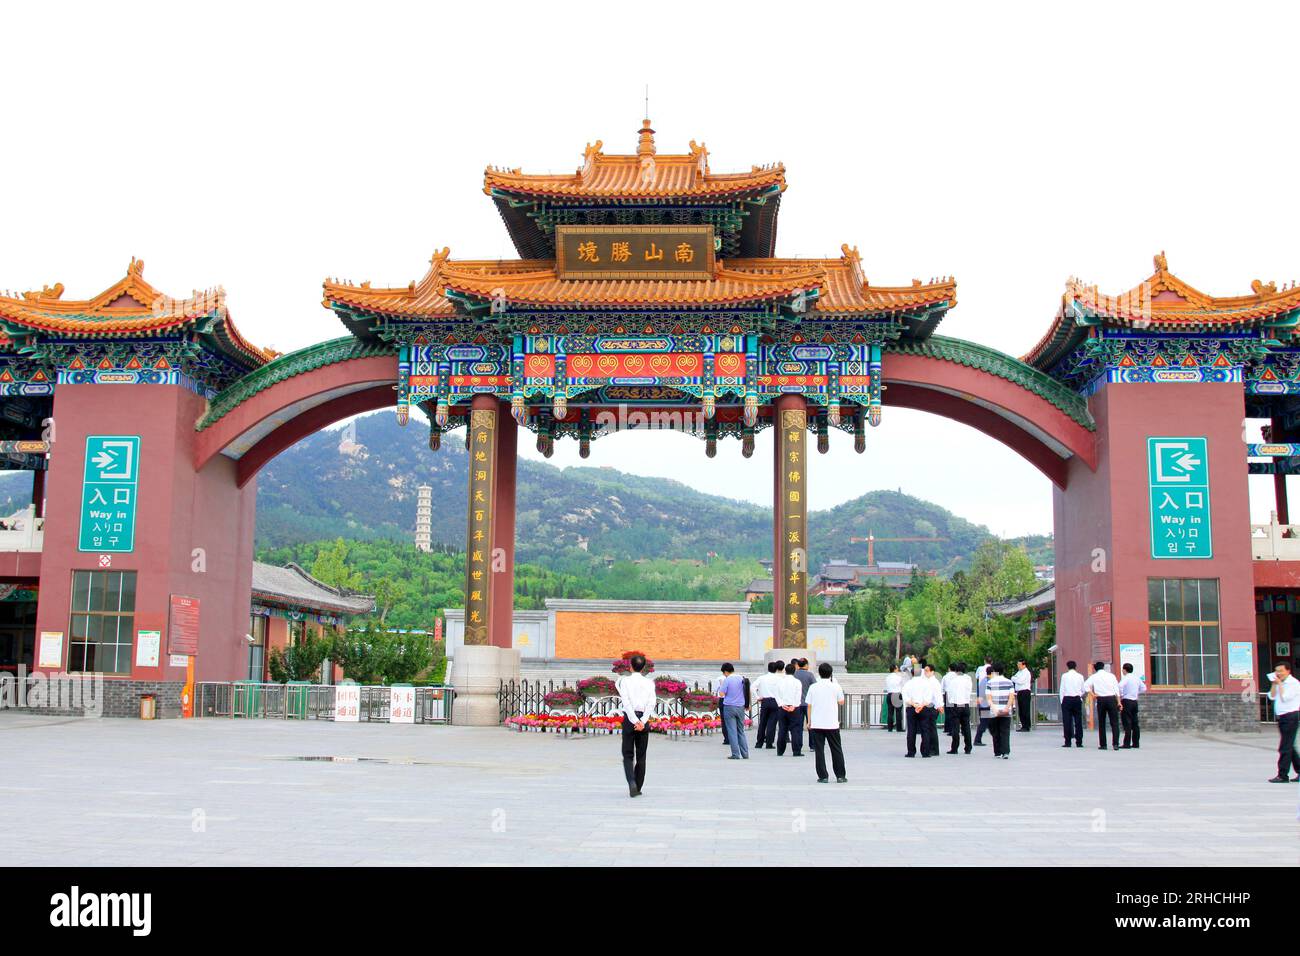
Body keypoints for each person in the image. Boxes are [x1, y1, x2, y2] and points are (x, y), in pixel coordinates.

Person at [617, 653, 655, 797]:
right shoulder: (649, 683)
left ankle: (631, 782)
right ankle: (638, 786)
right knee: (641, 755)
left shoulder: (625, 681)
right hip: (643, 720)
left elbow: (626, 702)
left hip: (629, 719)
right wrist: (642, 721)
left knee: (627, 754)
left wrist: (633, 720)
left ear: (630, 666)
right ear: (644, 667)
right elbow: (652, 703)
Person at [805, 662, 847, 783]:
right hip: (832, 723)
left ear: (819, 673)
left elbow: (809, 705)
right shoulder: (836, 686)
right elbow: (841, 702)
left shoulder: (814, 687)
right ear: (831, 673)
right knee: (836, 749)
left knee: (819, 750)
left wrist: (809, 721)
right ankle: (840, 775)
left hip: (817, 723)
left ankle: (823, 776)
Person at [1267, 662, 1300, 783]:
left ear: (1288, 671)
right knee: (1289, 745)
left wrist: (1280, 684)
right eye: (1277, 671)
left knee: (1285, 747)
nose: (1278, 673)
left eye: (1281, 671)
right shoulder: (1279, 682)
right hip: (1282, 717)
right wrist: (1274, 685)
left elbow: (1285, 697)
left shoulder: (1294, 683)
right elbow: (1271, 696)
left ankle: (1282, 775)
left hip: (1290, 716)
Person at [1083, 661, 1121, 751]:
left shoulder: (1094, 676)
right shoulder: (1111, 676)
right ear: (1103, 667)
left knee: (1102, 723)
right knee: (1114, 723)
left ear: (1095, 668)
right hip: (1112, 699)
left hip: (1101, 700)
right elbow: (1116, 689)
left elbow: (1085, 686)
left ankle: (1103, 744)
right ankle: (1116, 744)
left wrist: (1093, 694)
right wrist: (1119, 702)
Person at [718, 663, 749, 760]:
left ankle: (735, 754)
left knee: (732, 731)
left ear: (726, 671)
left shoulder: (727, 680)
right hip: (740, 707)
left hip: (729, 707)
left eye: (724, 673)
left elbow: (721, 693)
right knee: (741, 731)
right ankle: (745, 753)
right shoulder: (741, 679)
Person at [774, 662, 805, 757]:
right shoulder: (797, 682)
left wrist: (781, 704)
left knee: (782, 729)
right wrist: (794, 706)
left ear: (785, 671)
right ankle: (796, 751)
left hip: (782, 708)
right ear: (794, 671)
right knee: (795, 729)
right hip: (794, 708)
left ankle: (780, 750)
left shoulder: (780, 681)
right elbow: (798, 695)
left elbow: (776, 694)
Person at [984, 663, 1015, 759]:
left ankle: (997, 752)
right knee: (1005, 731)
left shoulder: (990, 683)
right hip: (1006, 711)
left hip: (994, 711)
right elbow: (1011, 697)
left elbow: (989, 698)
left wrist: (994, 709)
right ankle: (1006, 752)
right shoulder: (1009, 682)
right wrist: (1007, 708)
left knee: (995, 732)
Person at [902, 665, 931, 758]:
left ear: (912, 673)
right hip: (924, 708)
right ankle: (925, 752)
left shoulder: (908, 684)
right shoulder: (926, 683)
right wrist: (921, 705)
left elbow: (905, 697)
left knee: (911, 730)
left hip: (911, 708)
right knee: (925, 730)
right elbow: (928, 698)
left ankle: (911, 752)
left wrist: (915, 705)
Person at [945, 661, 973, 754]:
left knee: (955, 728)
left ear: (956, 671)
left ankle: (954, 748)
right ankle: (968, 747)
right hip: (965, 704)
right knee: (966, 727)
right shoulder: (968, 679)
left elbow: (949, 693)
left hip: (955, 705)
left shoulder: (953, 681)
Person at [752, 661, 781, 749]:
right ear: (776, 669)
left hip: (764, 701)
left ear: (768, 668)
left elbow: (752, 687)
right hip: (775, 702)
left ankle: (759, 743)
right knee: (772, 723)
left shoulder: (762, 678)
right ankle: (769, 743)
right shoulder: (779, 679)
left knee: (763, 722)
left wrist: (757, 697)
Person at [1118, 663, 1146, 750]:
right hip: (1134, 701)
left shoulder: (1126, 678)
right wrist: (1136, 693)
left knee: (1127, 723)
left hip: (1127, 701)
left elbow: (1119, 686)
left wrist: (1122, 694)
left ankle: (1126, 743)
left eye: (1123, 669)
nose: (1122, 671)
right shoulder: (1136, 678)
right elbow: (1144, 688)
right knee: (1135, 723)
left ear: (1125, 670)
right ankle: (1136, 743)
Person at [1059, 660, 1085, 749]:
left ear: (1068, 667)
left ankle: (1068, 742)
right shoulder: (1080, 676)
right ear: (1075, 666)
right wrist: (1080, 696)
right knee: (1078, 721)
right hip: (1077, 699)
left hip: (1067, 699)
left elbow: (1062, 689)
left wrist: (1062, 701)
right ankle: (1079, 742)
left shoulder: (1064, 676)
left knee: (1067, 721)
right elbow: (1083, 689)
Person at [921, 663, 943, 757]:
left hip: (932, 707)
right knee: (930, 728)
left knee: (932, 729)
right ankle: (930, 748)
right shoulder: (926, 681)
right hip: (927, 707)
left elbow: (938, 695)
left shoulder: (934, 682)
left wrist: (940, 706)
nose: (925, 672)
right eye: (924, 670)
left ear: (932, 672)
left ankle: (934, 749)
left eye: (927, 670)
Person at [972, 659, 992, 746]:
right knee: (984, 722)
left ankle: (978, 739)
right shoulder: (987, 682)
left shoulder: (983, 680)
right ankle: (977, 739)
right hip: (985, 705)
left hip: (984, 704)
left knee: (986, 722)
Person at [1012, 660, 1033, 732]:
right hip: (1019, 692)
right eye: (1017, 664)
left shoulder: (1026, 672)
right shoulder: (1019, 672)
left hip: (1025, 692)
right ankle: (1023, 725)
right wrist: (1015, 679)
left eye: (1019, 664)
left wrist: (1015, 679)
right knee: (1021, 710)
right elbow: (1013, 677)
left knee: (1025, 709)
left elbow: (1020, 681)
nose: (1018, 666)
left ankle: (1026, 726)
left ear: (1024, 665)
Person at [883, 664, 904, 732]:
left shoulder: (887, 677)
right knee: (898, 712)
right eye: (897, 668)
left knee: (890, 712)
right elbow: (901, 685)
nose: (898, 669)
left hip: (889, 694)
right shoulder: (899, 677)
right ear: (895, 669)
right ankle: (899, 728)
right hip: (897, 694)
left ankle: (890, 728)